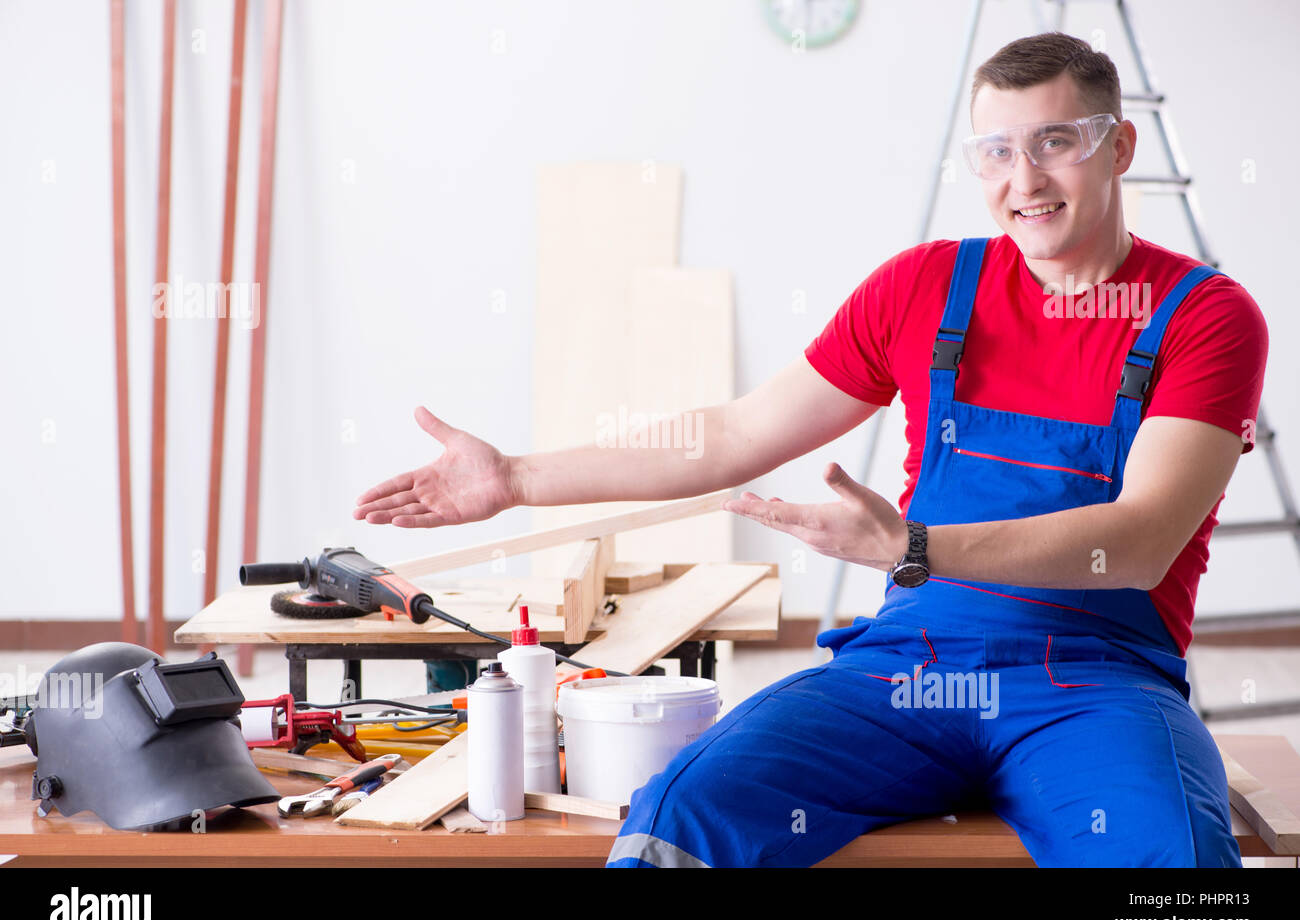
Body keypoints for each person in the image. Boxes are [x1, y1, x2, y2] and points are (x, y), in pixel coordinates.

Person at [353, 32, 1268, 867]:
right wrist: (515, 476)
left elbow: (1140, 539)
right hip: (912, 667)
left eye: (1056, 141)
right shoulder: (926, 289)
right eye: (997, 151)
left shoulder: (1206, 318)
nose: (1024, 179)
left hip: (1094, 686)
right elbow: (734, 435)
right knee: (682, 813)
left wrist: (915, 548)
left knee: (1173, 872)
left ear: (1119, 147)